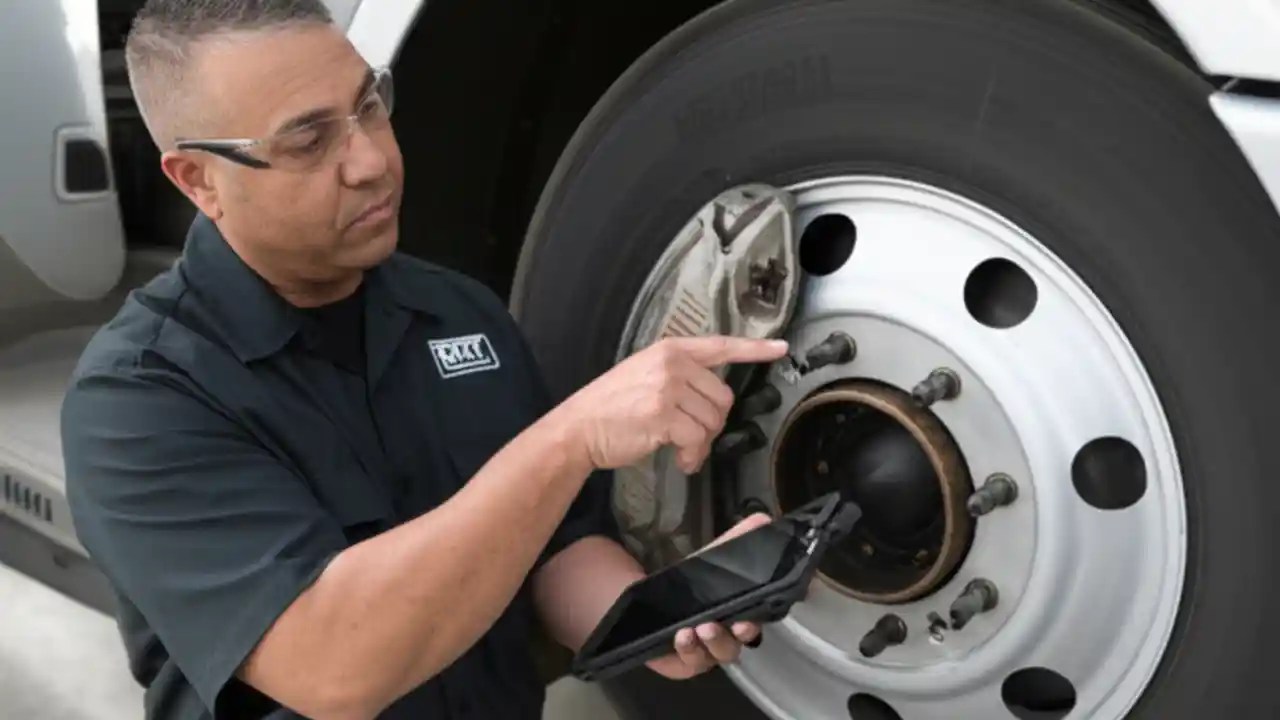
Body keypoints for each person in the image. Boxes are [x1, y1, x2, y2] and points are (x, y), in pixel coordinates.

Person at [59, 2, 791, 719]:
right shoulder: (141, 400)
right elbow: (333, 666)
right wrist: (569, 439)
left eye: (369, 105)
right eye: (310, 141)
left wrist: (652, 621)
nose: (373, 161)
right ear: (198, 180)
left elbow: (558, 548)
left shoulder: (458, 314)